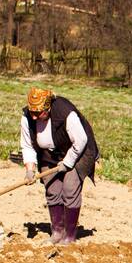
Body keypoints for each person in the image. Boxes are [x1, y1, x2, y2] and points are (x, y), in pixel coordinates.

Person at [19, 87, 99, 244]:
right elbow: (27, 145)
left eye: (38, 113)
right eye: (32, 112)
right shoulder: (27, 118)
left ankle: (69, 237)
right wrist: (30, 170)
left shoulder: (65, 113)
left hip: (78, 153)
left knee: (70, 188)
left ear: (48, 108)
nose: (34, 117)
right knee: (52, 190)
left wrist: (68, 162)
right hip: (49, 155)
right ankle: (57, 233)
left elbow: (81, 140)